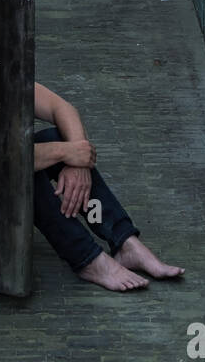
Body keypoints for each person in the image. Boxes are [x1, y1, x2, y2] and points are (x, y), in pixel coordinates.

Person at [33, 81, 184, 292]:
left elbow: (61, 107)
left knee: (56, 138)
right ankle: (88, 259)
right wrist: (67, 152)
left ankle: (125, 243)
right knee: (24, 174)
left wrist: (78, 158)